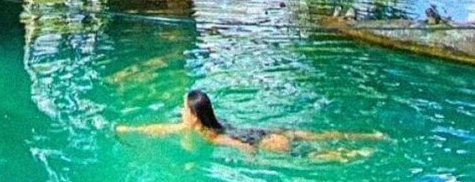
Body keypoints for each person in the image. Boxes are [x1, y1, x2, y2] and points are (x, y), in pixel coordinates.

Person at [116, 89, 386, 154]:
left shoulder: (208, 135)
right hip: (261, 131)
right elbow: (160, 129)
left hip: (262, 141)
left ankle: (349, 153)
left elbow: (237, 144)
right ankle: (369, 136)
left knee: (306, 155)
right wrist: (129, 129)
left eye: (183, 108)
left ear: (194, 116)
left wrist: (250, 155)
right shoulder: (201, 126)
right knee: (311, 136)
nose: (180, 112)